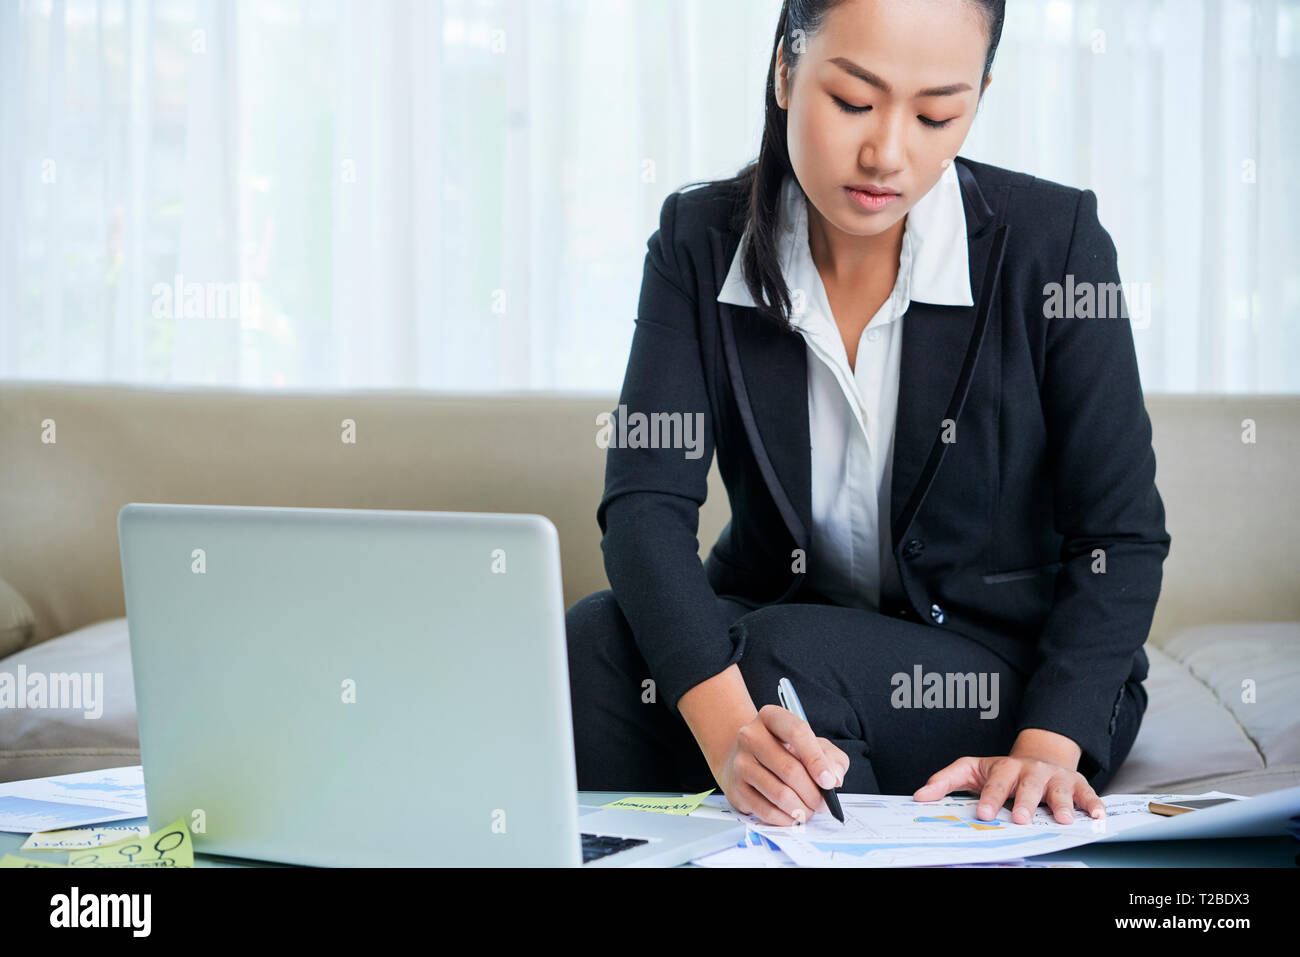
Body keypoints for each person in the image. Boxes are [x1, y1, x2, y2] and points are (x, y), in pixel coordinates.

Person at [566, 0, 1169, 828]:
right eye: (854, 101)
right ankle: (765, 786)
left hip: (1008, 672)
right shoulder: (698, 239)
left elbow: (1120, 535)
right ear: (785, 70)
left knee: (787, 662)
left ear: (979, 97)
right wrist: (729, 731)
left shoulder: (1054, 245)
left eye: (936, 114)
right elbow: (644, 510)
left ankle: (789, 784)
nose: (888, 152)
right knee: (592, 646)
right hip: (783, 633)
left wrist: (1047, 746)